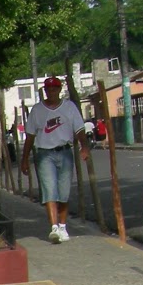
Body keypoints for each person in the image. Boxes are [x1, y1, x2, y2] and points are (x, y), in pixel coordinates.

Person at [20, 76, 91, 244]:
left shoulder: (69, 107)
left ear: (59, 90)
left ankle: (63, 225)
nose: (51, 91)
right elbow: (30, 136)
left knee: (63, 192)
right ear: (45, 91)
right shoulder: (37, 110)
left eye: (54, 88)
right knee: (49, 190)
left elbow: (80, 129)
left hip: (64, 151)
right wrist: (25, 159)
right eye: (48, 89)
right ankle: (54, 228)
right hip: (44, 154)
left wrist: (84, 146)